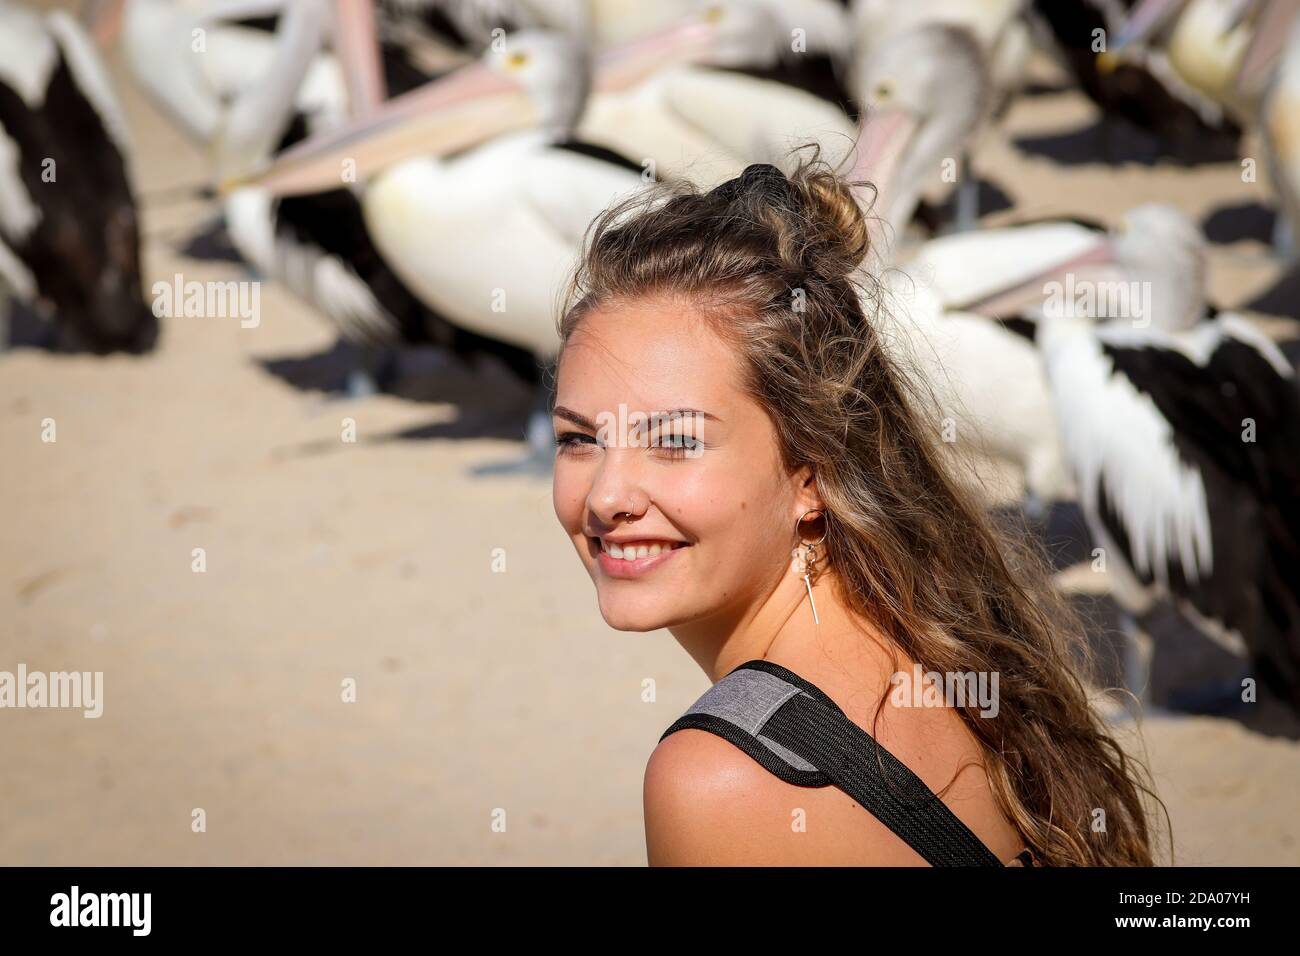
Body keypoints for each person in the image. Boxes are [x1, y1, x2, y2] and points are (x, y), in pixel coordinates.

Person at [550, 152, 1165, 866]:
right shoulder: (940, 641)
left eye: (676, 441)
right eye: (578, 438)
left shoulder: (723, 776)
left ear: (812, 470)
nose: (606, 497)